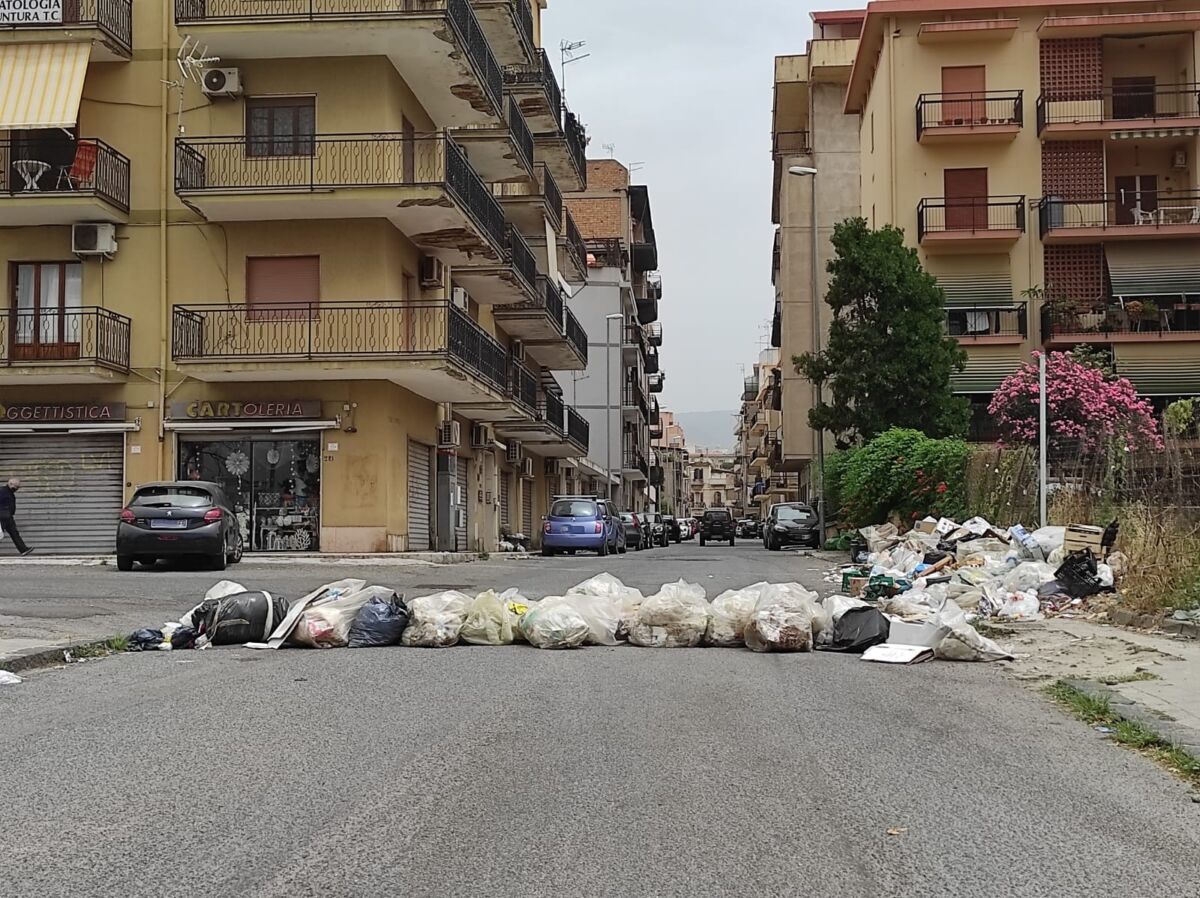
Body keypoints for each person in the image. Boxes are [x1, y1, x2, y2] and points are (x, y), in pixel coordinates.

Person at [0, 477, 33, 556]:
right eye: (16, 486)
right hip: (2, 517)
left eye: (18, 487)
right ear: (10, 484)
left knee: (14, 533)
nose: (17, 488)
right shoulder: (2, 491)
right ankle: (23, 549)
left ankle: (23, 549)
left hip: (8, 517)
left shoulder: (9, 492)